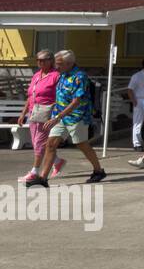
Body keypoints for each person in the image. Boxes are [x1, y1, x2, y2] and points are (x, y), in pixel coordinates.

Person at [26, 50, 106, 187]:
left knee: (82, 144)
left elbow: (76, 102)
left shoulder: (79, 77)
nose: (56, 67)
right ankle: (43, 178)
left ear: (69, 63)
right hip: (60, 117)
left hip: (77, 117)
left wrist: (57, 117)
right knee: (50, 144)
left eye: (60, 64)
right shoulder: (62, 74)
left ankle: (98, 170)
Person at [18, 50, 63, 182]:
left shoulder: (56, 75)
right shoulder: (36, 75)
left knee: (39, 143)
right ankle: (58, 161)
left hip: (47, 112)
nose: (40, 62)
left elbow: (61, 96)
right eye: (38, 60)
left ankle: (34, 172)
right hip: (34, 112)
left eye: (43, 60)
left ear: (51, 60)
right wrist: (23, 113)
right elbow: (30, 96)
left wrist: (56, 114)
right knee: (36, 143)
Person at [124, 57, 144, 151]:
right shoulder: (136, 76)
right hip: (139, 100)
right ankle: (136, 143)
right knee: (138, 122)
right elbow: (129, 90)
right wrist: (134, 101)